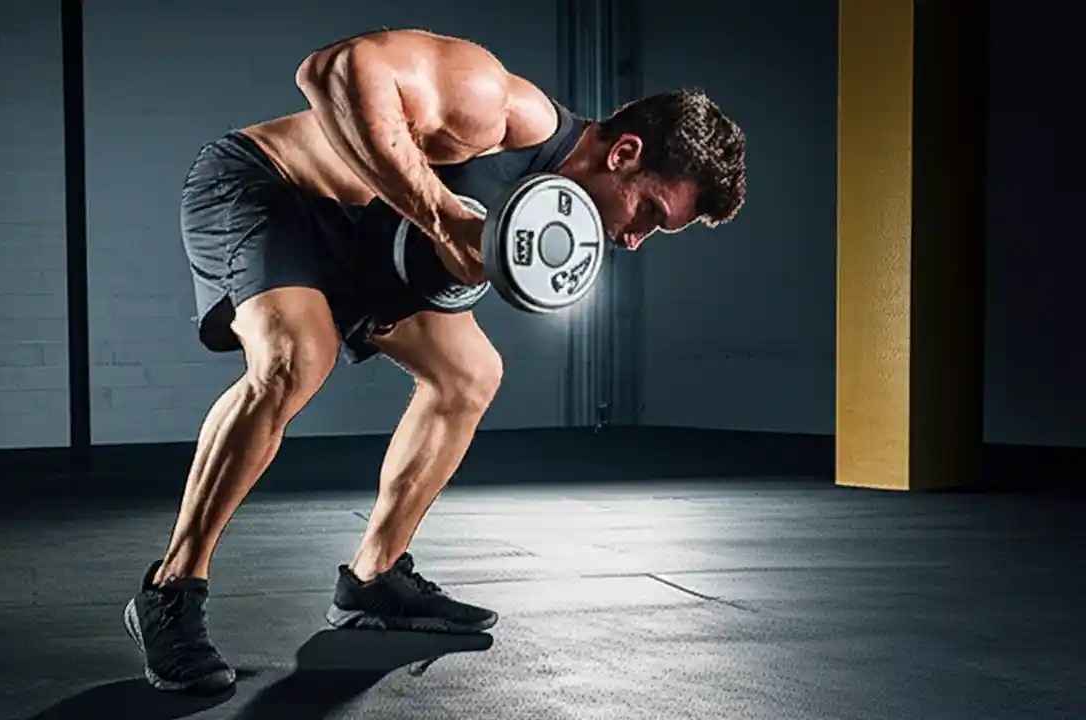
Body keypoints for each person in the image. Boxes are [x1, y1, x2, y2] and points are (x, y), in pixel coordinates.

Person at [123, 28, 747, 694]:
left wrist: (442, 234)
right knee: (297, 357)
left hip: (368, 247)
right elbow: (331, 69)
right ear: (624, 153)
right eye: (648, 212)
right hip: (271, 188)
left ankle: (373, 579)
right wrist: (444, 217)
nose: (635, 238)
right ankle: (170, 589)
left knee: (470, 374)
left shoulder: (548, 212)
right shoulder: (500, 110)